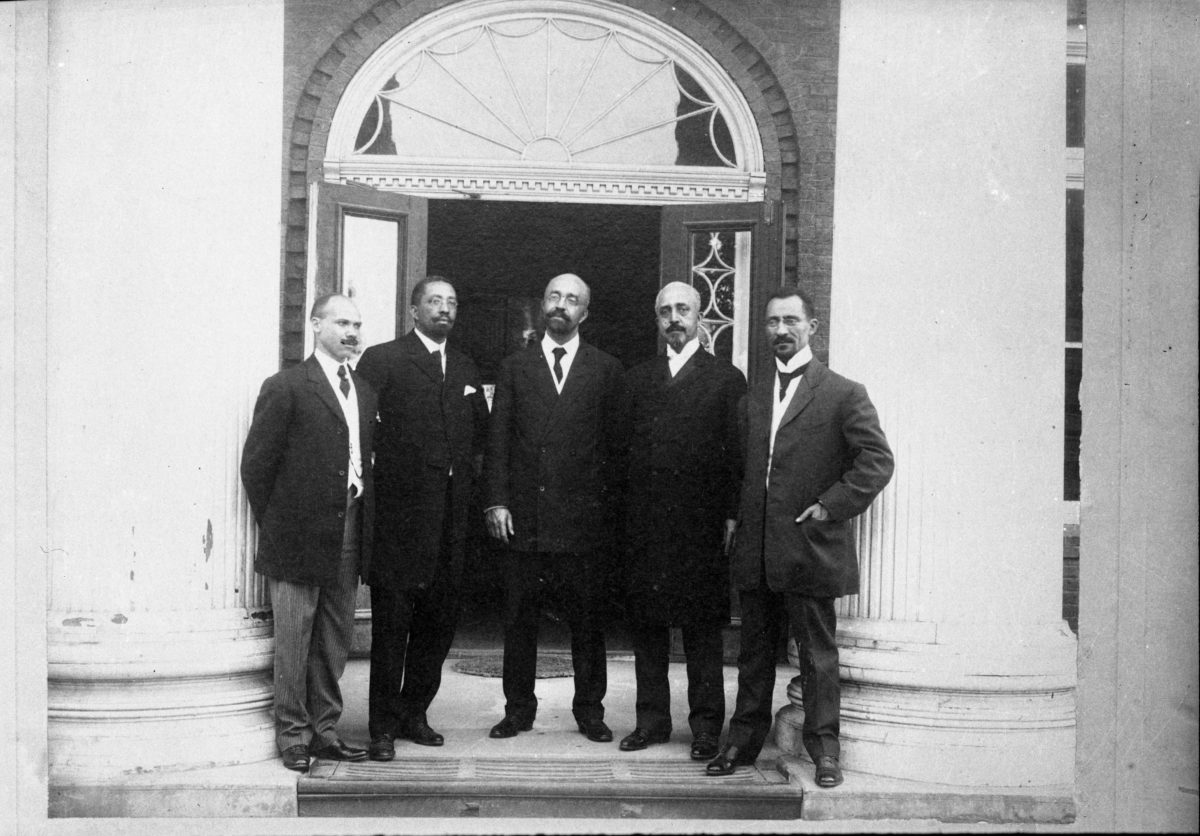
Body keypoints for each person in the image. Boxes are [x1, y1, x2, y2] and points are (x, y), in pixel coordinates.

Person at [706, 286, 893, 788]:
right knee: (754, 654)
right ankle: (742, 744)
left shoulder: (842, 392)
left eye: (791, 321)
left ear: (813, 326)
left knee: (817, 655)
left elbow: (877, 461)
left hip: (809, 548)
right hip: (757, 549)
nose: (781, 331)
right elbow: (742, 470)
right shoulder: (753, 399)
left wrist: (830, 505)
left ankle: (825, 751)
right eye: (772, 322)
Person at [483, 273, 624, 743]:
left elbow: (614, 451)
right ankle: (518, 710)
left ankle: (590, 711)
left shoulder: (606, 370)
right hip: (525, 517)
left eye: (573, 300)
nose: (561, 306)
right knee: (519, 621)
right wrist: (497, 501)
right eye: (554, 297)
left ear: (586, 313)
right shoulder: (515, 367)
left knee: (587, 623)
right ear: (543, 305)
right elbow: (498, 438)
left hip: (582, 520)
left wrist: (606, 513)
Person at [241, 293, 377, 773]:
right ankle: (293, 734)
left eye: (358, 324)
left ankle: (325, 731)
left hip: (350, 526)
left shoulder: (363, 388)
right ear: (316, 325)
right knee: (295, 638)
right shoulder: (287, 386)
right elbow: (257, 467)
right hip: (297, 533)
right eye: (342, 322)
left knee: (334, 638)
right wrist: (280, 525)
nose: (352, 332)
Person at [355, 277, 489, 761]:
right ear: (414, 310)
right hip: (400, 521)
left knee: (439, 625)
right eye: (435, 301)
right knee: (392, 630)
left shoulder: (467, 366)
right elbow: (361, 433)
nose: (445, 309)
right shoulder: (383, 359)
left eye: (452, 302)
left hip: (452, 523)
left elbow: (481, 437)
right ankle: (382, 727)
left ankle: (416, 713)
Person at [616, 282, 747, 762]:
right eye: (666, 311)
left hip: (702, 524)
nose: (674, 318)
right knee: (647, 626)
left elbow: (738, 457)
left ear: (699, 318)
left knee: (701, 631)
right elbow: (618, 456)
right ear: (657, 319)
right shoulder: (636, 380)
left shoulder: (726, 379)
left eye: (683, 310)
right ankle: (651, 721)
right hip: (645, 524)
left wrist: (732, 512)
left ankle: (707, 727)